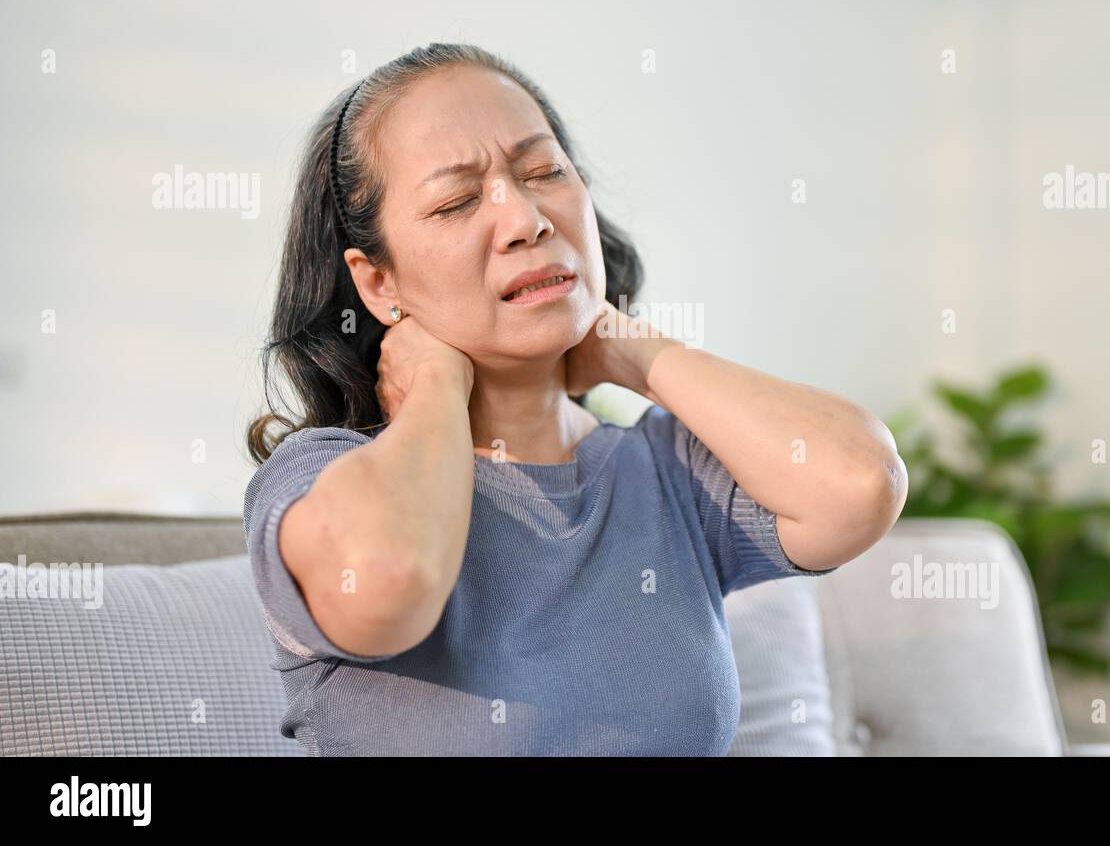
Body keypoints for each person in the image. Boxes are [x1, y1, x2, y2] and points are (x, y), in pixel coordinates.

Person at [243, 42, 907, 755]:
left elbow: (860, 483)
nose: (525, 219)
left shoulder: (669, 472)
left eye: (543, 171)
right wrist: (434, 383)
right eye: (458, 200)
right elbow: (388, 576)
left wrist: (631, 349)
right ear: (378, 284)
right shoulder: (318, 479)